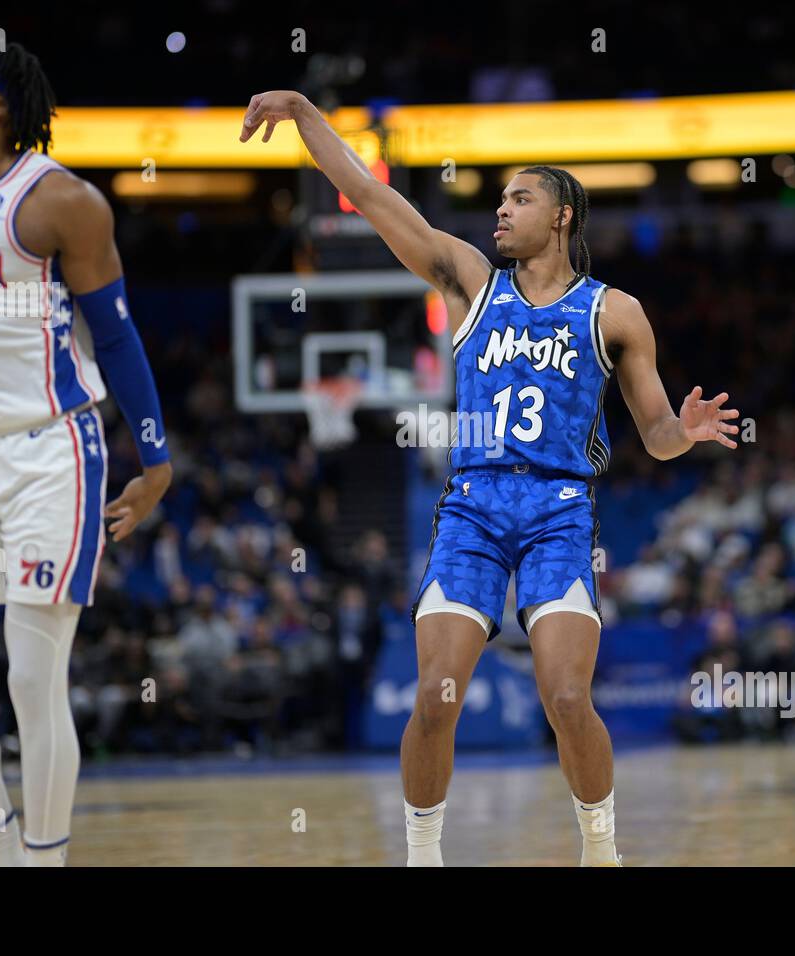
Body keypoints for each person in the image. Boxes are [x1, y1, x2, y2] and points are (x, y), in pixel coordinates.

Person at [241, 90, 741, 865]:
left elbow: (657, 435)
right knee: (435, 697)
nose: (500, 212)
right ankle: (423, 855)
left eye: (519, 198)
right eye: (501, 199)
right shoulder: (472, 281)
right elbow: (371, 195)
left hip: (559, 510)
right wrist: (308, 115)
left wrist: (689, 431)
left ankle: (601, 851)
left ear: (563, 215)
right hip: (472, 508)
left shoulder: (615, 312)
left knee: (567, 697)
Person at [0, 39, 172, 865]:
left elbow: (116, 338)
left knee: (29, 680)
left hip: (49, 449)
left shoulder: (61, 202)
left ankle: (44, 864)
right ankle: (6, 857)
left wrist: (156, 458)